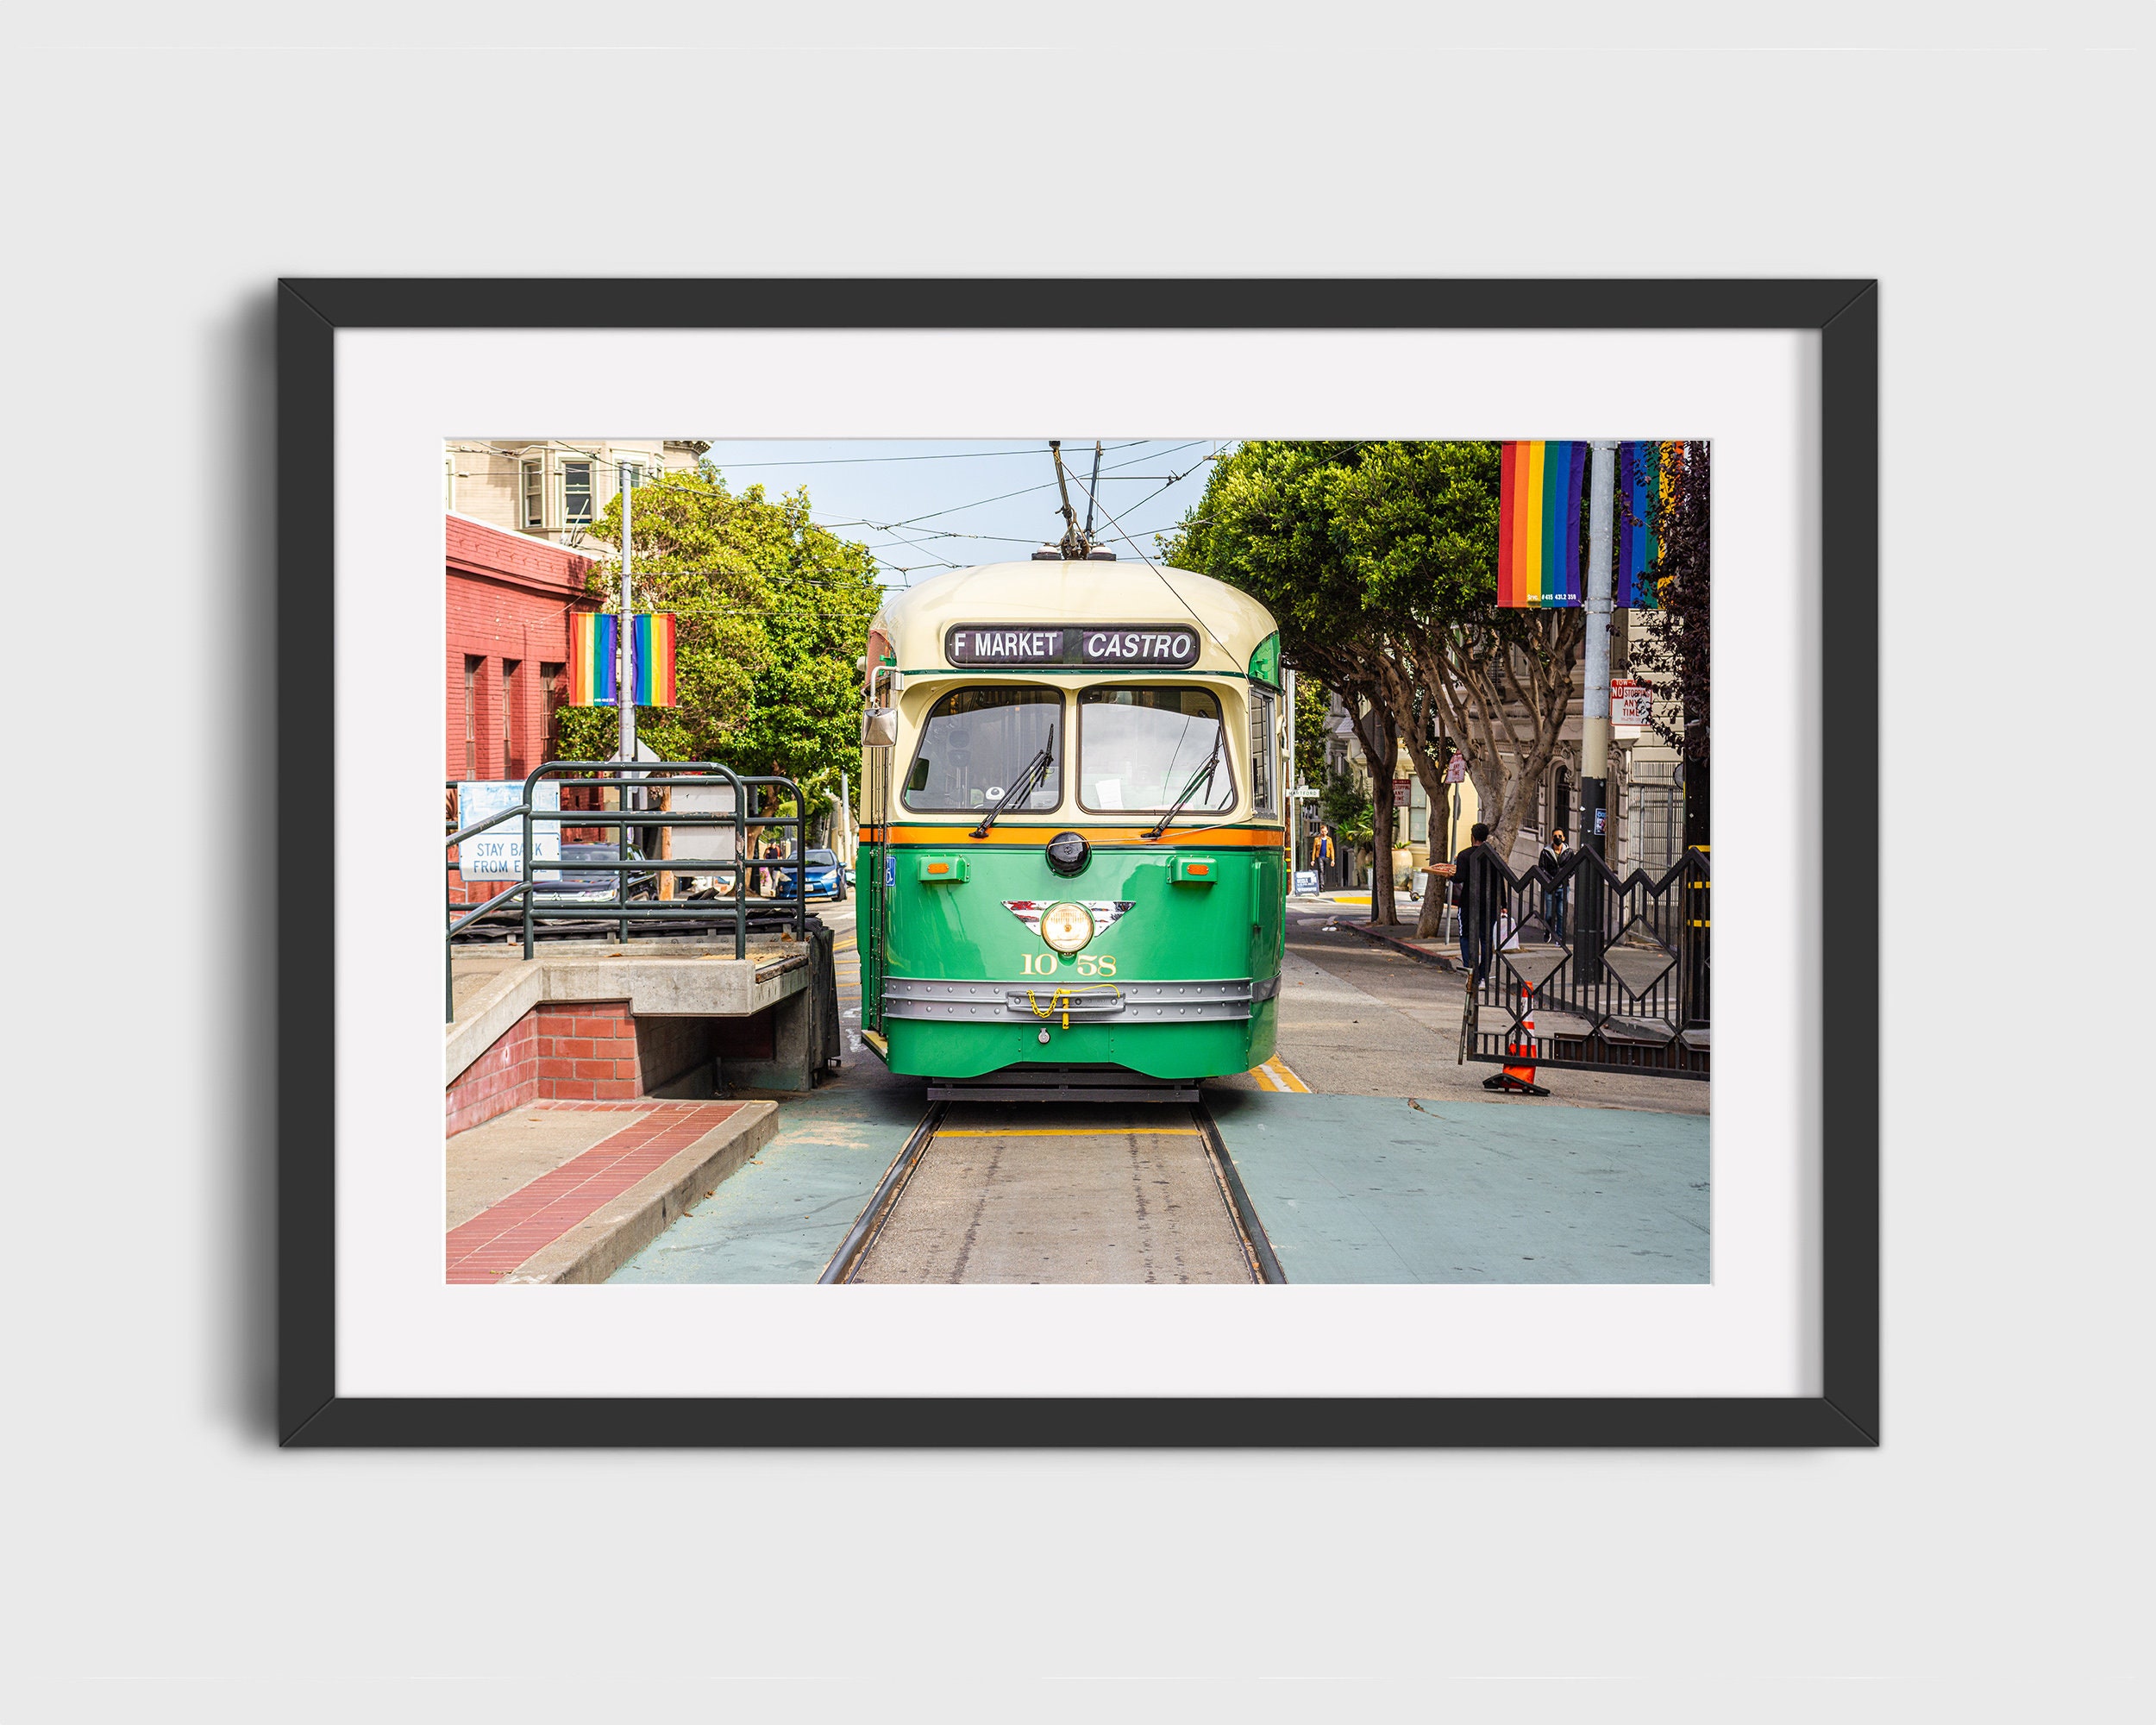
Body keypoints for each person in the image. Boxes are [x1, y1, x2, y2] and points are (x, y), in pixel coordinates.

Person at [1450, 822, 1506, 982]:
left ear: (1472, 837)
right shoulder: (1494, 856)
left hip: (1469, 902)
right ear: (1486, 837)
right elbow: (1500, 880)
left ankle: (1470, 970)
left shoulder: (1464, 855)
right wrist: (1504, 905)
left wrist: (1449, 876)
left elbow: (1459, 878)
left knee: (1465, 935)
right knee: (1486, 940)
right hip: (1490, 905)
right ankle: (1483, 975)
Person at [1538, 827, 1569, 944]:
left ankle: (1559, 937)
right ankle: (1548, 931)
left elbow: (1572, 868)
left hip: (1563, 886)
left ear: (1564, 838)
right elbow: (1541, 868)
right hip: (1550, 886)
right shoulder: (1546, 852)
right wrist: (1551, 879)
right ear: (1552, 838)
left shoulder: (1568, 852)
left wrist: (1564, 878)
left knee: (1561, 913)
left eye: (1560, 836)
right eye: (1555, 836)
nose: (1557, 838)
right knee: (1550, 913)